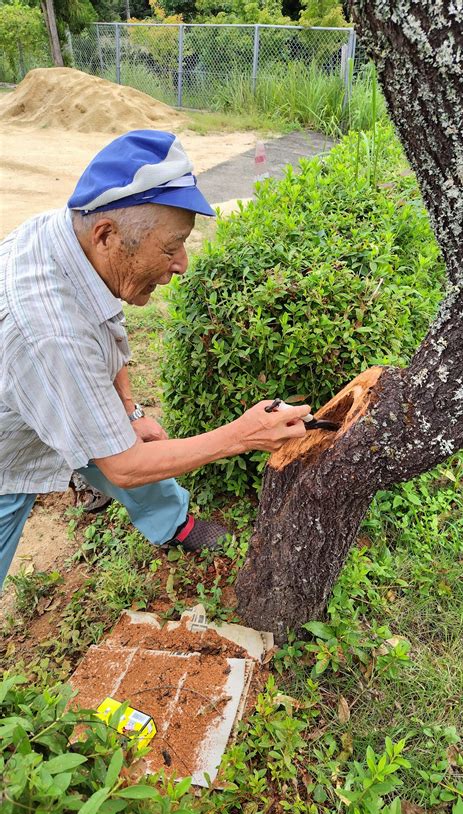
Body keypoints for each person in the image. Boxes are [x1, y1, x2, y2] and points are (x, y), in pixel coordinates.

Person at [0, 130, 311, 588]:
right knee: (122, 459)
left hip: (52, 381)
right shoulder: (54, 336)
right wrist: (243, 435)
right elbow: (124, 466)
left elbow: (103, 322)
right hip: (8, 453)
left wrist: (129, 409)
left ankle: (174, 524)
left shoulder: (73, 234)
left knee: (132, 443)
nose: (183, 263)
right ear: (108, 235)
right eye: (170, 248)